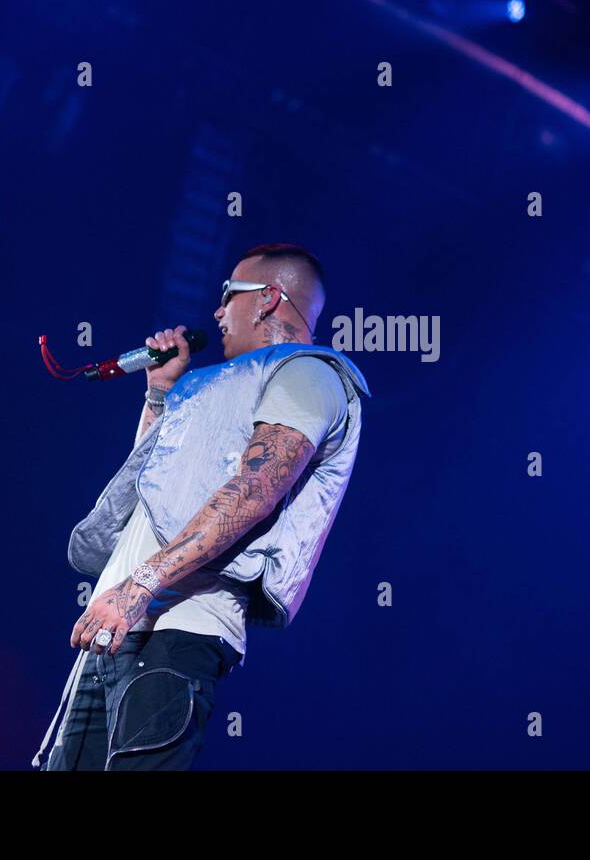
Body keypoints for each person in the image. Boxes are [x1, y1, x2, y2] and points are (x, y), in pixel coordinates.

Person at [33, 243, 370, 770]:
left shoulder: (309, 373)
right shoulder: (212, 384)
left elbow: (255, 491)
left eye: (228, 296)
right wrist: (160, 394)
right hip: (114, 628)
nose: (216, 312)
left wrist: (140, 585)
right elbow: (149, 485)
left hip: (177, 628)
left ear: (268, 299)